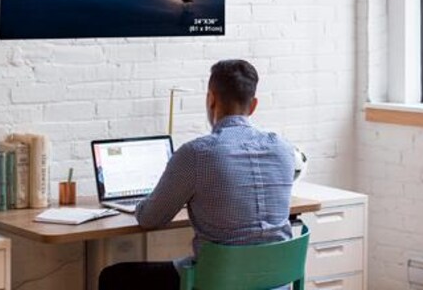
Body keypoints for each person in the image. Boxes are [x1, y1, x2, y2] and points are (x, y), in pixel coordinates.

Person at [99, 59, 295, 290]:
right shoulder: (283, 148)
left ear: (211, 99)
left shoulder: (197, 154)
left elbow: (150, 218)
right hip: (276, 281)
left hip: (217, 281)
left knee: (114, 277)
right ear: (253, 106)